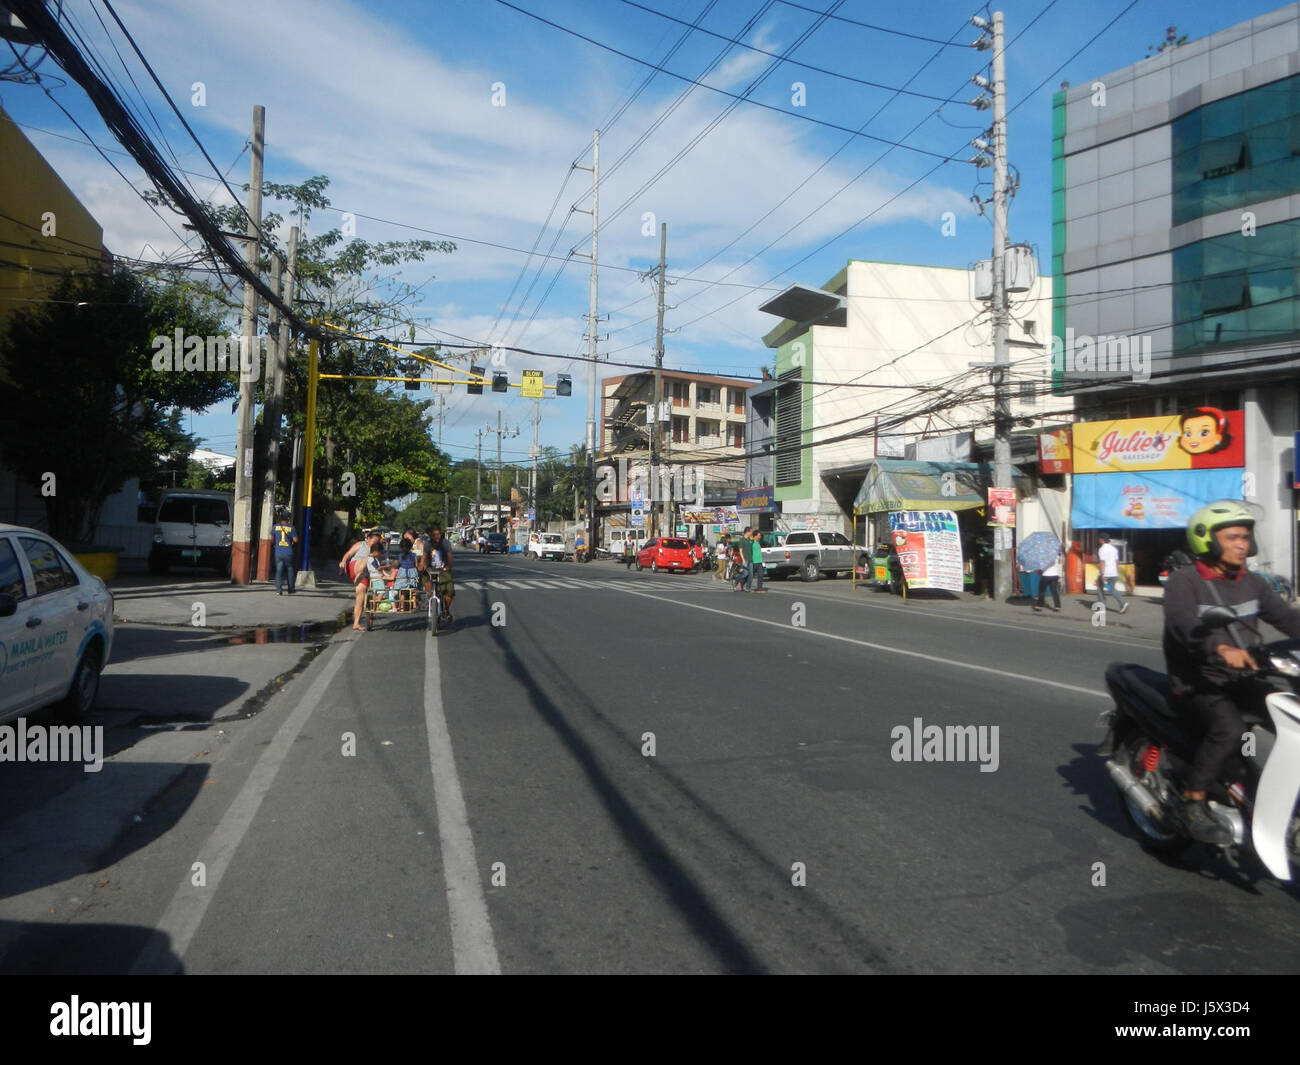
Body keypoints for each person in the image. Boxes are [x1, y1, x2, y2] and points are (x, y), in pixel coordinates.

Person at [1163, 501, 1300, 844]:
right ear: (1206, 540)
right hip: (1199, 681)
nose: (1243, 544)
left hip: (1245, 676)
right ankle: (1192, 800)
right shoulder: (1185, 582)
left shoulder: (1252, 582)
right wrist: (1220, 648)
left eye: (1245, 537)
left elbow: (1286, 619)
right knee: (1231, 728)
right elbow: (1183, 623)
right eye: (1233, 537)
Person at [340, 530, 381, 631]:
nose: (375, 543)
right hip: (354, 568)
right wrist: (343, 562)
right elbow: (348, 554)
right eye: (374, 541)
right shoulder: (360, 545)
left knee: (360, 598)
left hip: (364, 576)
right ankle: (359, 574)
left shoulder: (377, 550)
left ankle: (356, 623)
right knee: (366, 559)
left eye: (377, 541)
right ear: (368, 538)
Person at [428, 524, 455, 622]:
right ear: (431, 535)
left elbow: (449, 556)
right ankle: (430, 600)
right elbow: (424, 557)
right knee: (428, 585)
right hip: (431, 569)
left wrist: (449, 565)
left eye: (438, 534)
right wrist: (421, 565)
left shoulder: (446, 543)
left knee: (450, 591)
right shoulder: (428, 544)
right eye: (434, 535)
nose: (437, 537)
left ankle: (446, 610)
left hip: (443, 570)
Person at [1096, 535, 1127, 613]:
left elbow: (1102, 562)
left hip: (1105, 574)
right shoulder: (1114, 549)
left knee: (1100, 589)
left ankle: (1102, 607)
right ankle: (1122, 603)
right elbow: (1117, 561)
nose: (1098, 540)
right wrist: (1117, 571)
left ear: (1102, 539)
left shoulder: (1102, 549)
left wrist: (1102, 574)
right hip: (1114, 573)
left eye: (1099, 539)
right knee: (1111, 588)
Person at [272, 509, 298, 596]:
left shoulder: (275, 527)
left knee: (279, 571)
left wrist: (274, 545)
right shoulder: (291, 528)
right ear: (287, 518)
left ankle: (278, 590)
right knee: (290, 570)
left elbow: (272, 539)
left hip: (278, 552)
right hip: (288, 552)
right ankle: (291, 589)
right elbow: (295, 540)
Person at [1034, 547, 1062, 612]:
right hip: (1054, 575)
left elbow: (1041, 567)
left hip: (1045, 576)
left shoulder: (1044, 557)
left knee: (1041, 591)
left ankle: (1039, 606)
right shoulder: (1057, 556)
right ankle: (1057, 606)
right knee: (1054, 591)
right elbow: (1059, 562)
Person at [748, 528, 766, 593]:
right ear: (755, 536)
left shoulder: (758, 543)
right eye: (759, 535)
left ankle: (759, 588)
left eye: (760, 536)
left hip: (759, 562)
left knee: (761, 575)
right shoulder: (751, 542)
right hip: (753, 562)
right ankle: (742, 584)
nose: (760, 537)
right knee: (750, 575)